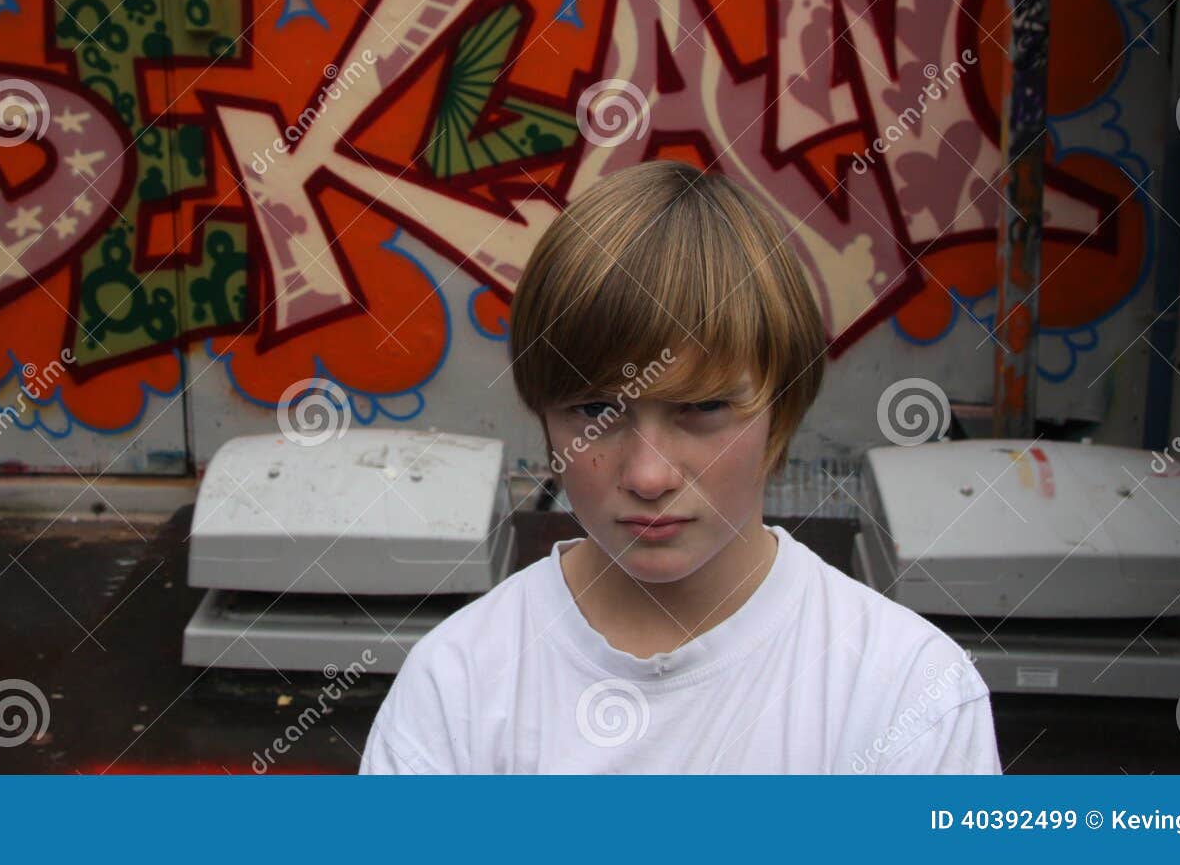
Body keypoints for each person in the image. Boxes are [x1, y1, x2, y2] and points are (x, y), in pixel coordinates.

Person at [360, 160, 1001, 774]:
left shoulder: (910, 693)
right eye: (594, 408)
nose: (649, 476)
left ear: (783, 406)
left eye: (703, 407)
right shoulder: (455, 686)